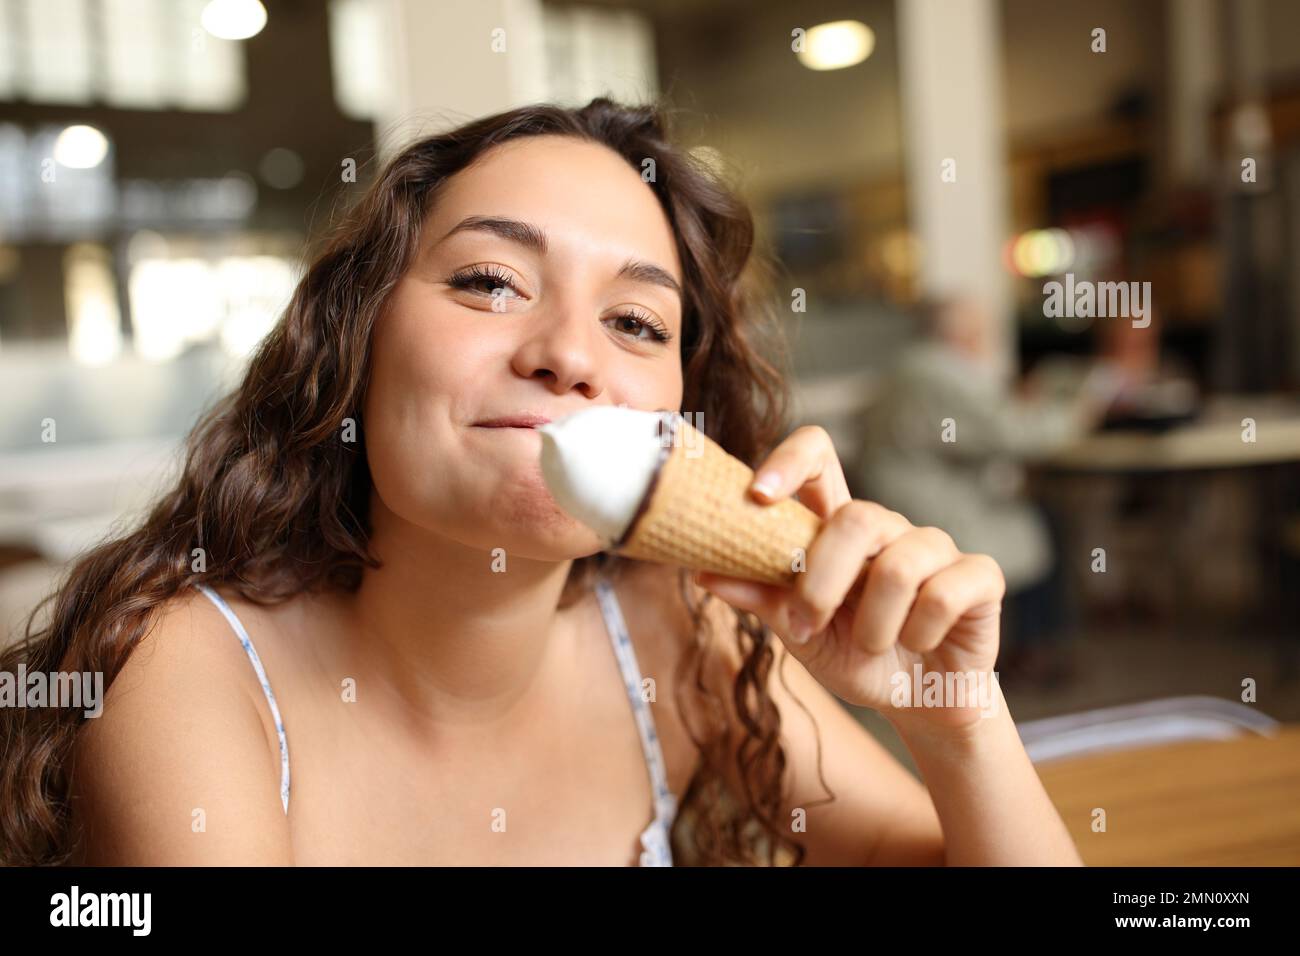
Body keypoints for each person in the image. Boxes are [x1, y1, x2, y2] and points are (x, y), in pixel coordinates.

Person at [0, 100, 1080, 867]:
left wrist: (956, 718)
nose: (570, 354)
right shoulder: (191, 670)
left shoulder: (679, 630)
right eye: (488, 280)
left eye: (635, 321)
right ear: (356, 339)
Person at [857, 295, 1121, 686]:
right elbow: (1011, 434)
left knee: (1038, 516)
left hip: (905, 503)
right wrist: (1081, 409)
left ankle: (1025, 646)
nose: (986, 339)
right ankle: (1034, 651)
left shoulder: (906, 368)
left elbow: (973, 429)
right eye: (981, 329)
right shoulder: (940, 372)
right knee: (1045, 520)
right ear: (961, 331)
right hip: (937, 512)